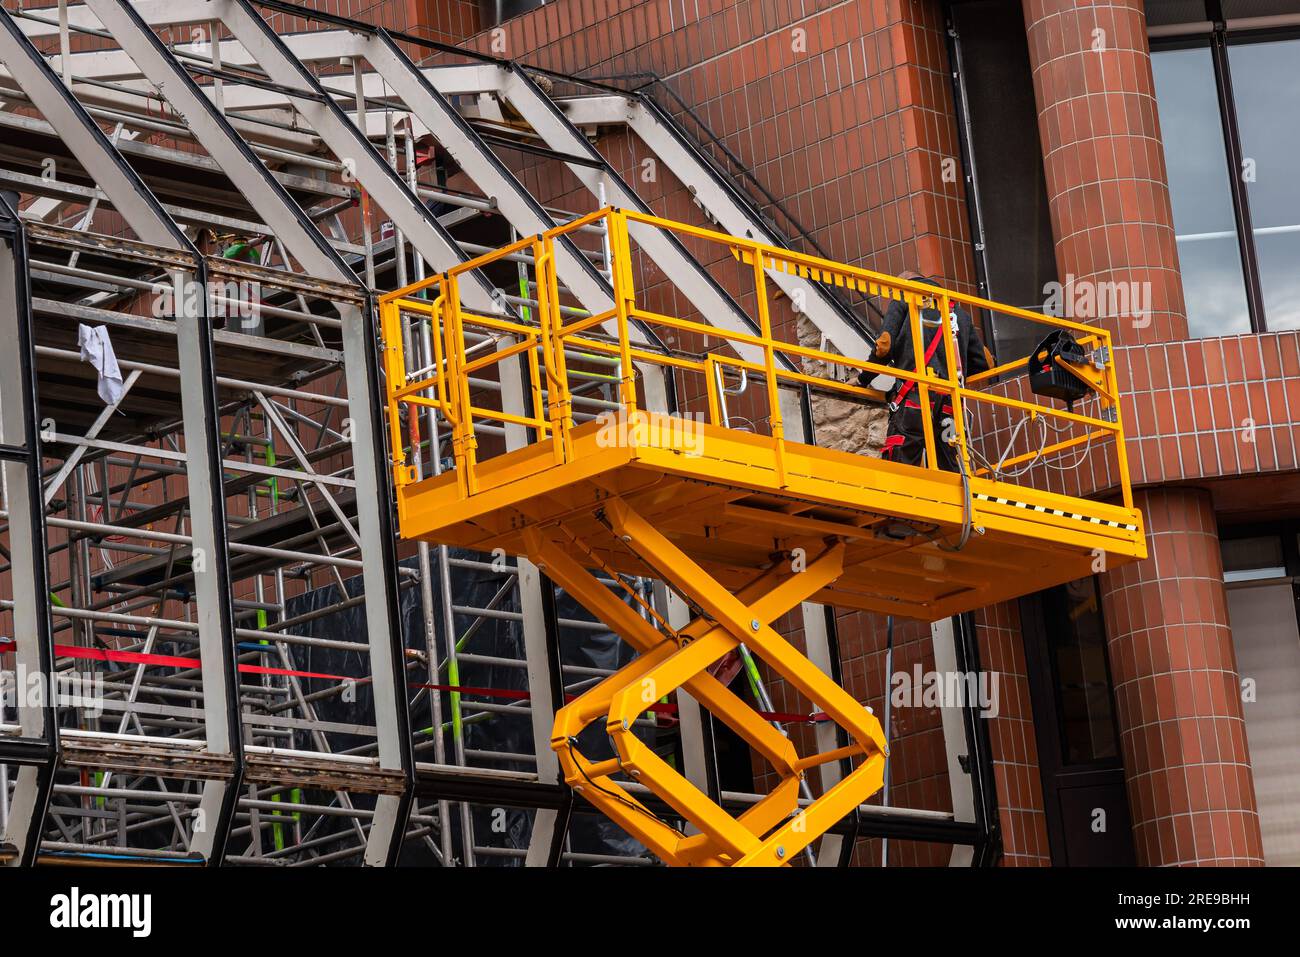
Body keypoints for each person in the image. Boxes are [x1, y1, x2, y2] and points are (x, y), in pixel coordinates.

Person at [857, 272, 992, 472]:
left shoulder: (905, 297)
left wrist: (862, 379)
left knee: (902, 463)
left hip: (915, 398)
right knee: (951, 465)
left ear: (903, 283)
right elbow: (984, 363)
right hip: (950, 403)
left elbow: (884, 347)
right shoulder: (958, 313)